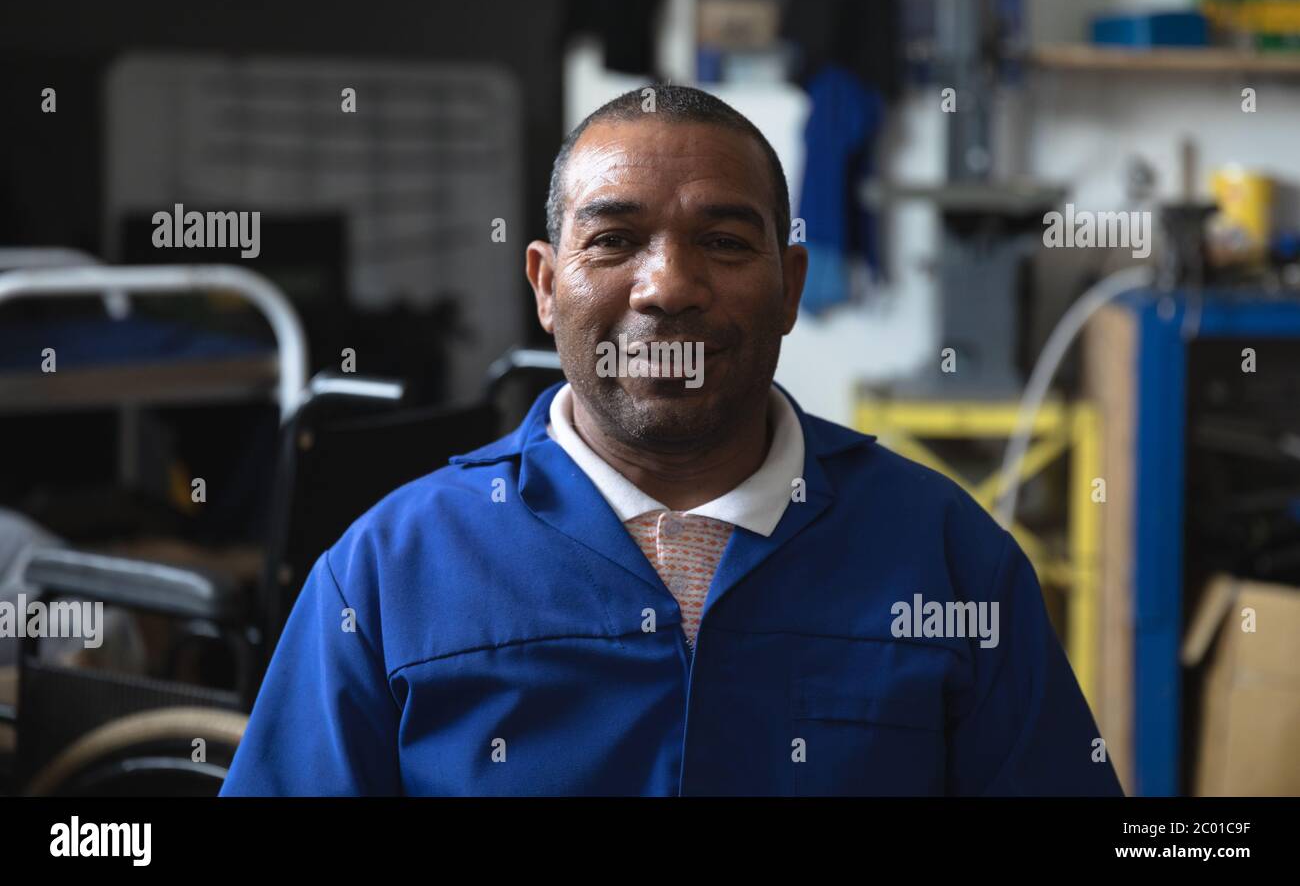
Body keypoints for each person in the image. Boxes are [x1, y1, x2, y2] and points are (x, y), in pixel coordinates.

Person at [220, 84, 1123, 796]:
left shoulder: (949, 559)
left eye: (724, 243)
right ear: (545, 285)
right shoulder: (386, 574)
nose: (668, 287)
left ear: (788, 285)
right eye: (613, 240)